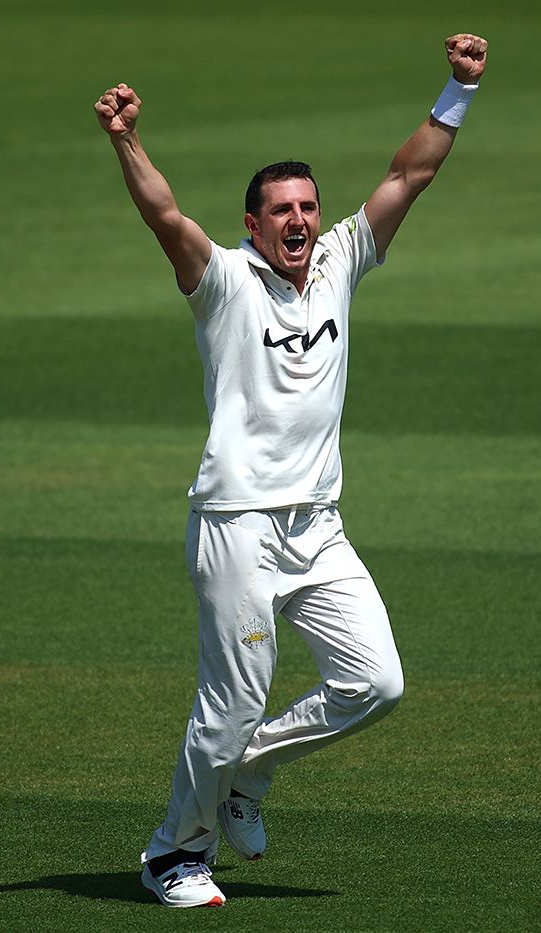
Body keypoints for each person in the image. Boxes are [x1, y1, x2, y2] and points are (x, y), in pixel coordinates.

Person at [93, 33, 488, 908]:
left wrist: (456, 89)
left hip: (318, 524)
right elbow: (165, 218)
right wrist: (125, 138)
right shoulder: (225, 282)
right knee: (230, 699)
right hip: (237, 523)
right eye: (281, 211)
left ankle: (246, 778)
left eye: (308, 207)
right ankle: (172, 854)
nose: (301, 222)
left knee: (374, 681)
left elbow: (408, 176)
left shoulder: (344, 259)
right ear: (253, 223)